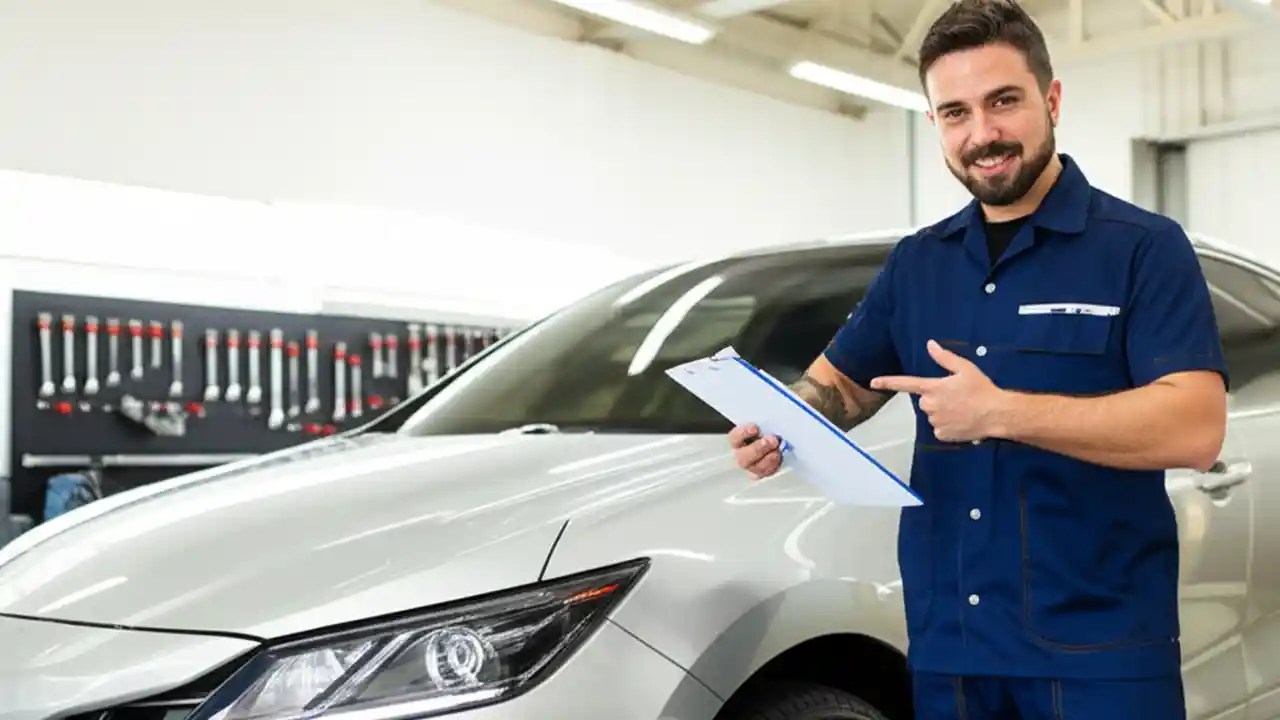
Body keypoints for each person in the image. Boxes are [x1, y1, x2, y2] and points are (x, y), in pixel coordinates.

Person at [728, 1, 1229, 717]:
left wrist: (1000, 412)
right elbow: (841, 381)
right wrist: (785, 420)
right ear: (934, 125)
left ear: (1051, 100)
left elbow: (1195, 427)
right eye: (955, 113)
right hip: (952, 651)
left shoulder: (1142, 249)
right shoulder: (918, 264)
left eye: (1003, 102)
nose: (983, 134)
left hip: (1102, 656)